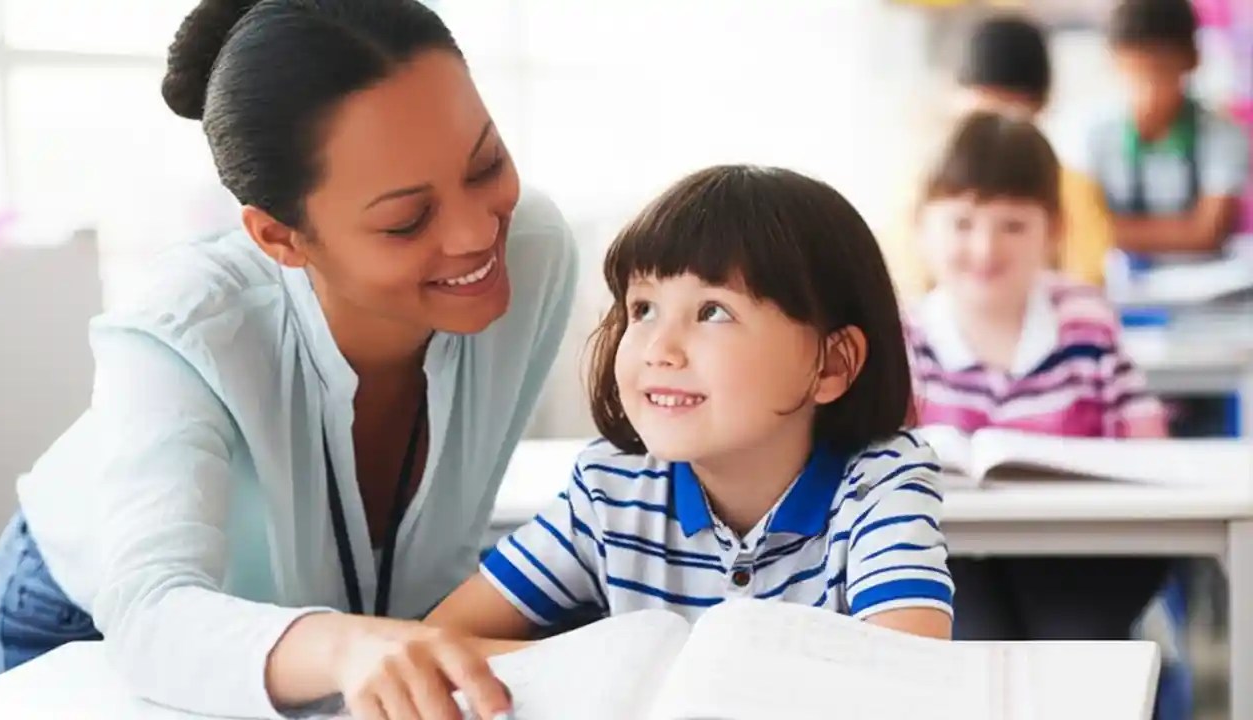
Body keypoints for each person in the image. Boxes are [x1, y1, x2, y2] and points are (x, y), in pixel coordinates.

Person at [0, 1, 577, 719]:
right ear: (279, 237)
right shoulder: (183, 326)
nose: (479, 230)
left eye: (486, 164)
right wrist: (351, 647)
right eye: (406, 220)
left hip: (352, 628)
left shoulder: (534, 251)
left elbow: (433, 544)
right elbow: (151, 617)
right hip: (98, 617)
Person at [426, 165, 954, 640]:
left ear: (832, 364)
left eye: (713, 312)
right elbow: (435, 646)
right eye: (643, 308)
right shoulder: (611, 489)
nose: (660, 349)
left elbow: (908, 678)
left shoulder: (880, 484)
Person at [905, 111, 1169, 641]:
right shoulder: (902, 336)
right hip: (951, 554)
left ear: (1054, 232)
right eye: (962, 223)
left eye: (1014, 225)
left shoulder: (1085, 320)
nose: (985, 248)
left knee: (1072, 646)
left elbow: (1147, 447)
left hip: (1083, 551)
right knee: (971, 648)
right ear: (921, 229)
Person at [881, 14, 1116, 301]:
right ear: (957, 100)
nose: (997, 136)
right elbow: (901, 285)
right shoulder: (925, 185)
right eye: (984, 110)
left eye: (1011, 114)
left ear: (1041, 108)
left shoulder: (1072, 189)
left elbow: (1088, 279)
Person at [1071, 0, 1248, 266]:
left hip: (1208, 295)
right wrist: (1182, 231)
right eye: (1136, 74)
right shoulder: (1093, 137)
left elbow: (1207, 233)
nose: (1149, 93)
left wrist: (1108, 230)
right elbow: (1080, 228)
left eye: (1162, 73)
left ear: (1192, 61)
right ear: (1113, 63)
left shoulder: (1224, 135)